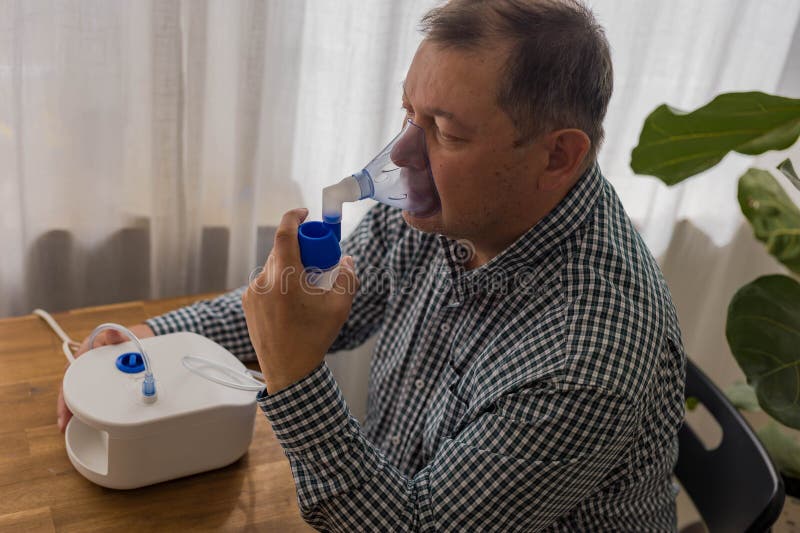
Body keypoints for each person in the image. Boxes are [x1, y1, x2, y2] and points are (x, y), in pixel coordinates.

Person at [58, 0, 686, 530]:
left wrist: (296, 374)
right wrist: (156, 336)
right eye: (408, 113)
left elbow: (416, 524)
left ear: (557, 159)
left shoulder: (587, 357)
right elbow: (331, 301)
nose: (403, 153)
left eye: (446, 131)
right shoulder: (451, 206)